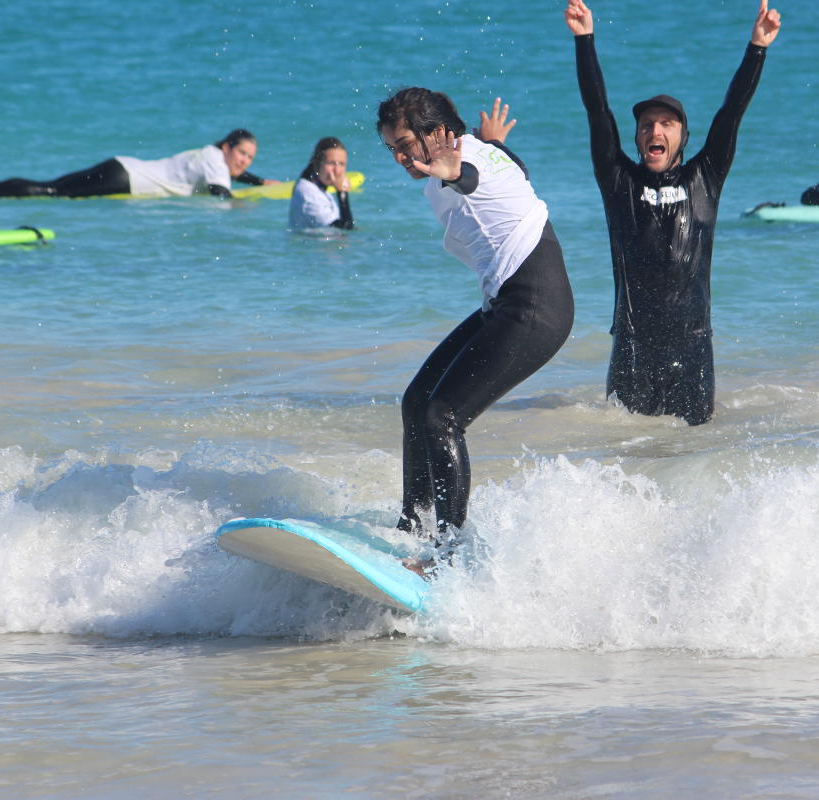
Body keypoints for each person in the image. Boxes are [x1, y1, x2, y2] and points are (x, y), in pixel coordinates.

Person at [376, 91, 574, 574]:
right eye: (391, 150)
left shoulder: (461, 164)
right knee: (417, 401)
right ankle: (412, 530)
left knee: (442, 416)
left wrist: (453, 171)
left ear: (436, 132)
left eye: (404, 144)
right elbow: (512, 169)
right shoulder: (486, 151)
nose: (400, 158)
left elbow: (469, 177)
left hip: (534, 306)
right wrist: (493, 143)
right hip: (512, 301)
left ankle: (449, 557)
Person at [566, 0, 781, 426]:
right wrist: (584, 39)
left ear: (683, 136)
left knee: (696, 447)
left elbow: (731, 113)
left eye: (666, 123)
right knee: (627, 445)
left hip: (693, 344)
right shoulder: (618, 181)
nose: (655, 131)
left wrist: (757, 47)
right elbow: (597, 112)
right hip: (631, 344)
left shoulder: (706, 177)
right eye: (647, 124)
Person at [0, 129, 279, 200]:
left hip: (124, 166)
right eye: (242, 153)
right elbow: (222, 192)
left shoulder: (208, 153)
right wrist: (246, 207)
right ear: (226, 146)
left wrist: (259, 180)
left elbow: (230, 174)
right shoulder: (216, 164)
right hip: (128, 179)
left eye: (250, 157)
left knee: (53, 185)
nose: (244, 161)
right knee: (53, 192)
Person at [288, 137, 354, 230]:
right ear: (316, 163)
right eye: (331, 163)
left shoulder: (318, 189)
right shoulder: (308, 195)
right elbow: (345, 230)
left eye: (341, 164)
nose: (337, 170)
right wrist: (342, 193)